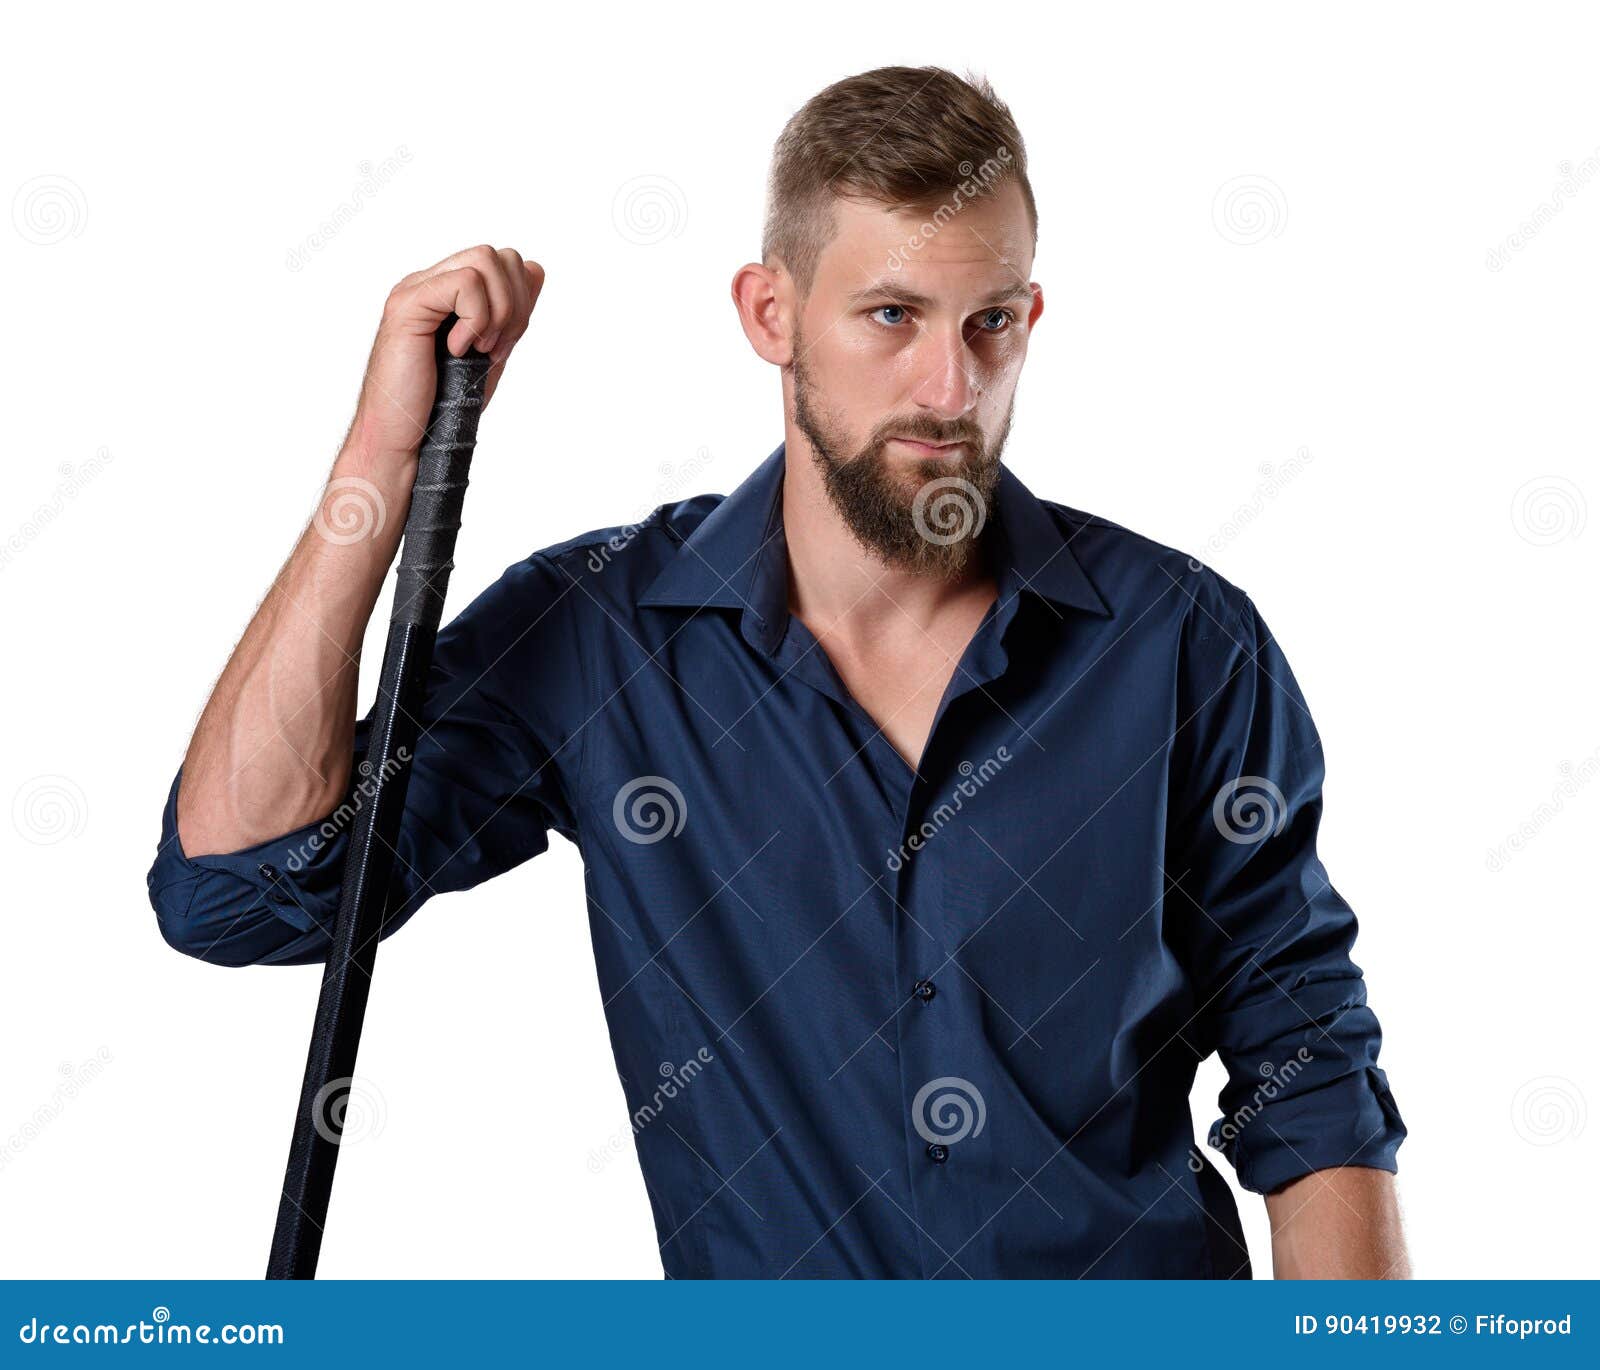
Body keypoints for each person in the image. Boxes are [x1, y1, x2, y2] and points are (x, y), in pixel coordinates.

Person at [147, 65, 1408, 1279]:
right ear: (770, 314)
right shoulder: (605, 637)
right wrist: (386, 451)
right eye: (891, 316)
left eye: (989, 323)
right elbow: (242, 890)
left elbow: (1304, 1061)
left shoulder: (1179, 642)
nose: (949, 384)